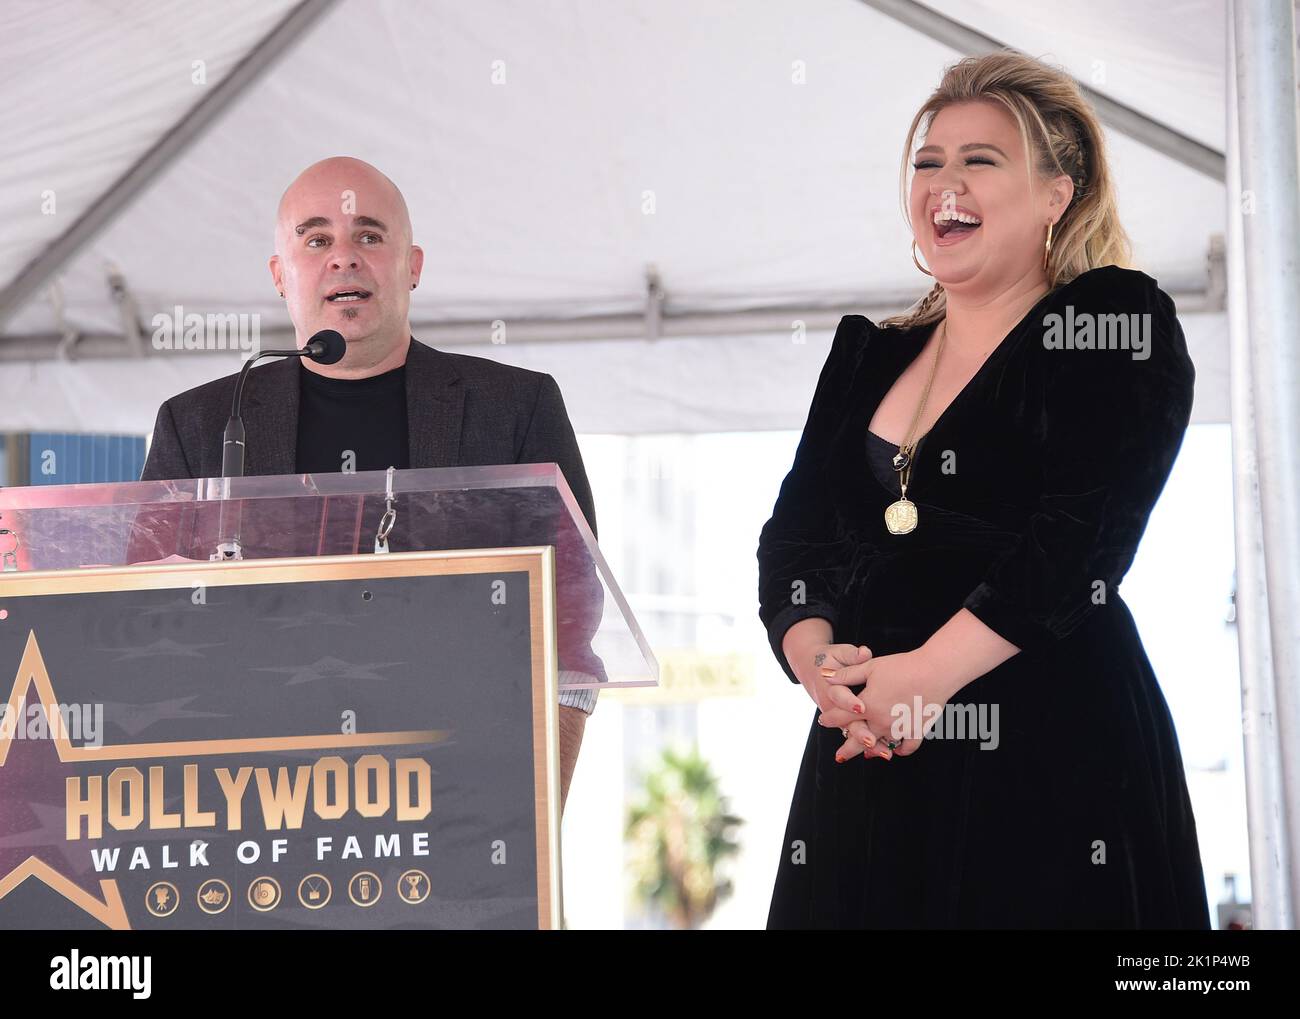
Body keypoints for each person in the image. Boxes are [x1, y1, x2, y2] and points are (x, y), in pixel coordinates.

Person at [757, 51, 1210, 928]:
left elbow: (1082, 537)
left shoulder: (1111, 319)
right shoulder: (865, 355)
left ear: (1057, 194)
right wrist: (826, 675)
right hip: (869, 749)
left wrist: (924, 677)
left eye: (980, 160)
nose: (943, 182)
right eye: (929, 161)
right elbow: (794, 541)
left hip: (1048, 748)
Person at [138, 157, 598, 809]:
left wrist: (532, 819)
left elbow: (571, 626)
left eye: (370, 236)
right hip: (250, 807)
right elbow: (141, 626)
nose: (344, 258)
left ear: (412, 264)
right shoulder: (199, 426)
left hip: (462, 798)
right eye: (317, 239)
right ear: (280, 273)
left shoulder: (515, 409)